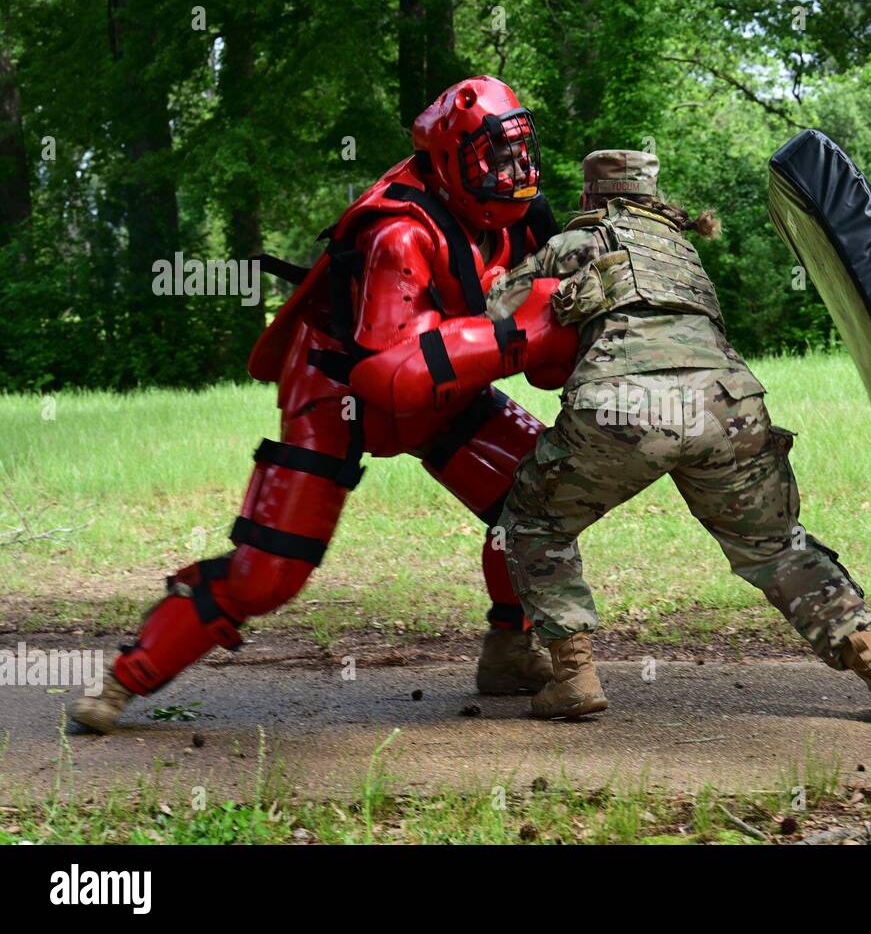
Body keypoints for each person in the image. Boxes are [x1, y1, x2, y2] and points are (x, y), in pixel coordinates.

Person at [72, 76, 578, 733]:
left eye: (519, 151)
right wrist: (519, 334)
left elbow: (544, 362)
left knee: (537, 491)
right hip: (339, 387)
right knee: (267, 576)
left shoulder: (523, 222)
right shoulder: (399, 234)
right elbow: (387, 374)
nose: (516, 169)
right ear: (453, 158)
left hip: (444, 377)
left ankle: (511, 649)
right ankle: (122, 681)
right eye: (496, 155)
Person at [485, 149, 871, 721]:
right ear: (651, 197)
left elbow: (498, 308)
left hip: (624, 407)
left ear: (589, 199)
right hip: (727, 407)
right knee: (774, 545)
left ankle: (573, 676)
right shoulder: (680, 247)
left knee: (533, 520)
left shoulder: (580, 242)